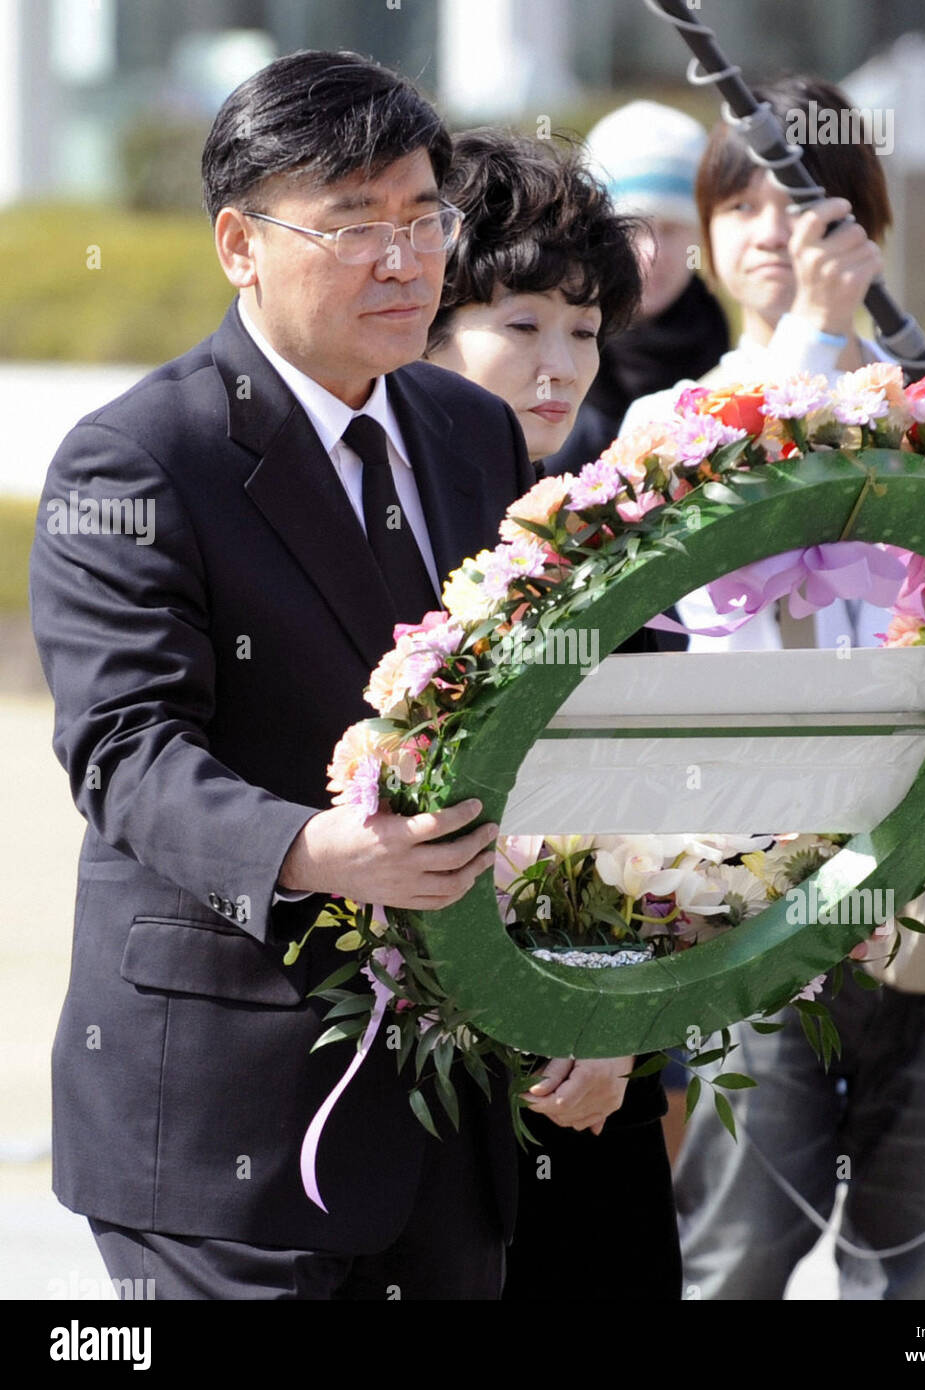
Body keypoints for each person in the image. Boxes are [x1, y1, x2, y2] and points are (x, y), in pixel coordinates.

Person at [29, 50, 545, 1301]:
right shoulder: (138, 460)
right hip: (225, 1116)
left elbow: (536, 707)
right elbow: (125, 749)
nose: (404, 257)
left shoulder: (469, 429)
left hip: (451, 1101)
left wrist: (571, 997)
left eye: (425, 218)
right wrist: (313, 850)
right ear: (238, 244)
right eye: (353, 224)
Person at [623, 75, 925, 1300]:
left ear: (862, 222)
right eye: (742, 209)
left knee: (917, 1259)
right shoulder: (672, 414)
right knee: (733, 1250)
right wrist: (813, 344)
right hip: (753, 888)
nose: (773, 234)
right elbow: (683, 544)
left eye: (803, 202)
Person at [424, 128, 682, 1301]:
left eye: (583, 330)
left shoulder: (608, 536)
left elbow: (653, 804)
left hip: (589, 1070)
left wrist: (622, 1017)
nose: (560, 363)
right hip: (405, 1070)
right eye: (520, 323)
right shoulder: (363, 519)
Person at [543, 100, 729, 477]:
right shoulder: (545, 369)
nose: (651, 252)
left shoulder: (730, 358)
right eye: (632, 228)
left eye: (673, 229)